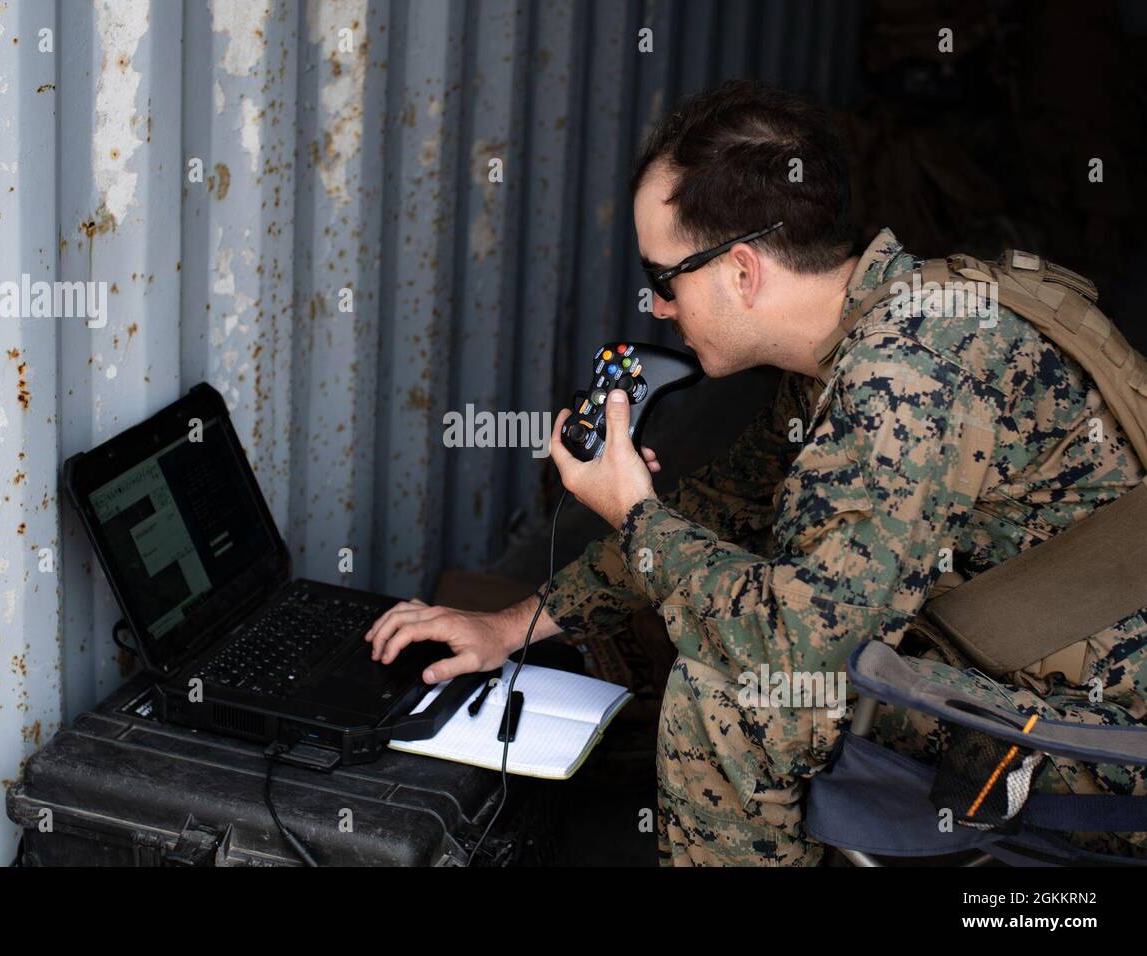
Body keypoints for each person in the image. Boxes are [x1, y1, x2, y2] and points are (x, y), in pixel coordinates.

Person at [363, 80, 1147, 865]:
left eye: (663, 278)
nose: (657, 308)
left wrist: (639, 519)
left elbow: (801, 654)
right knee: (711, 588)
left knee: (734, 696)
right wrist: (510, 626)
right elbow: (717, 511)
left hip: (1102, 741)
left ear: (740, 270)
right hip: (1013, 671)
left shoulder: (907, 372)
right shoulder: (870, 329)